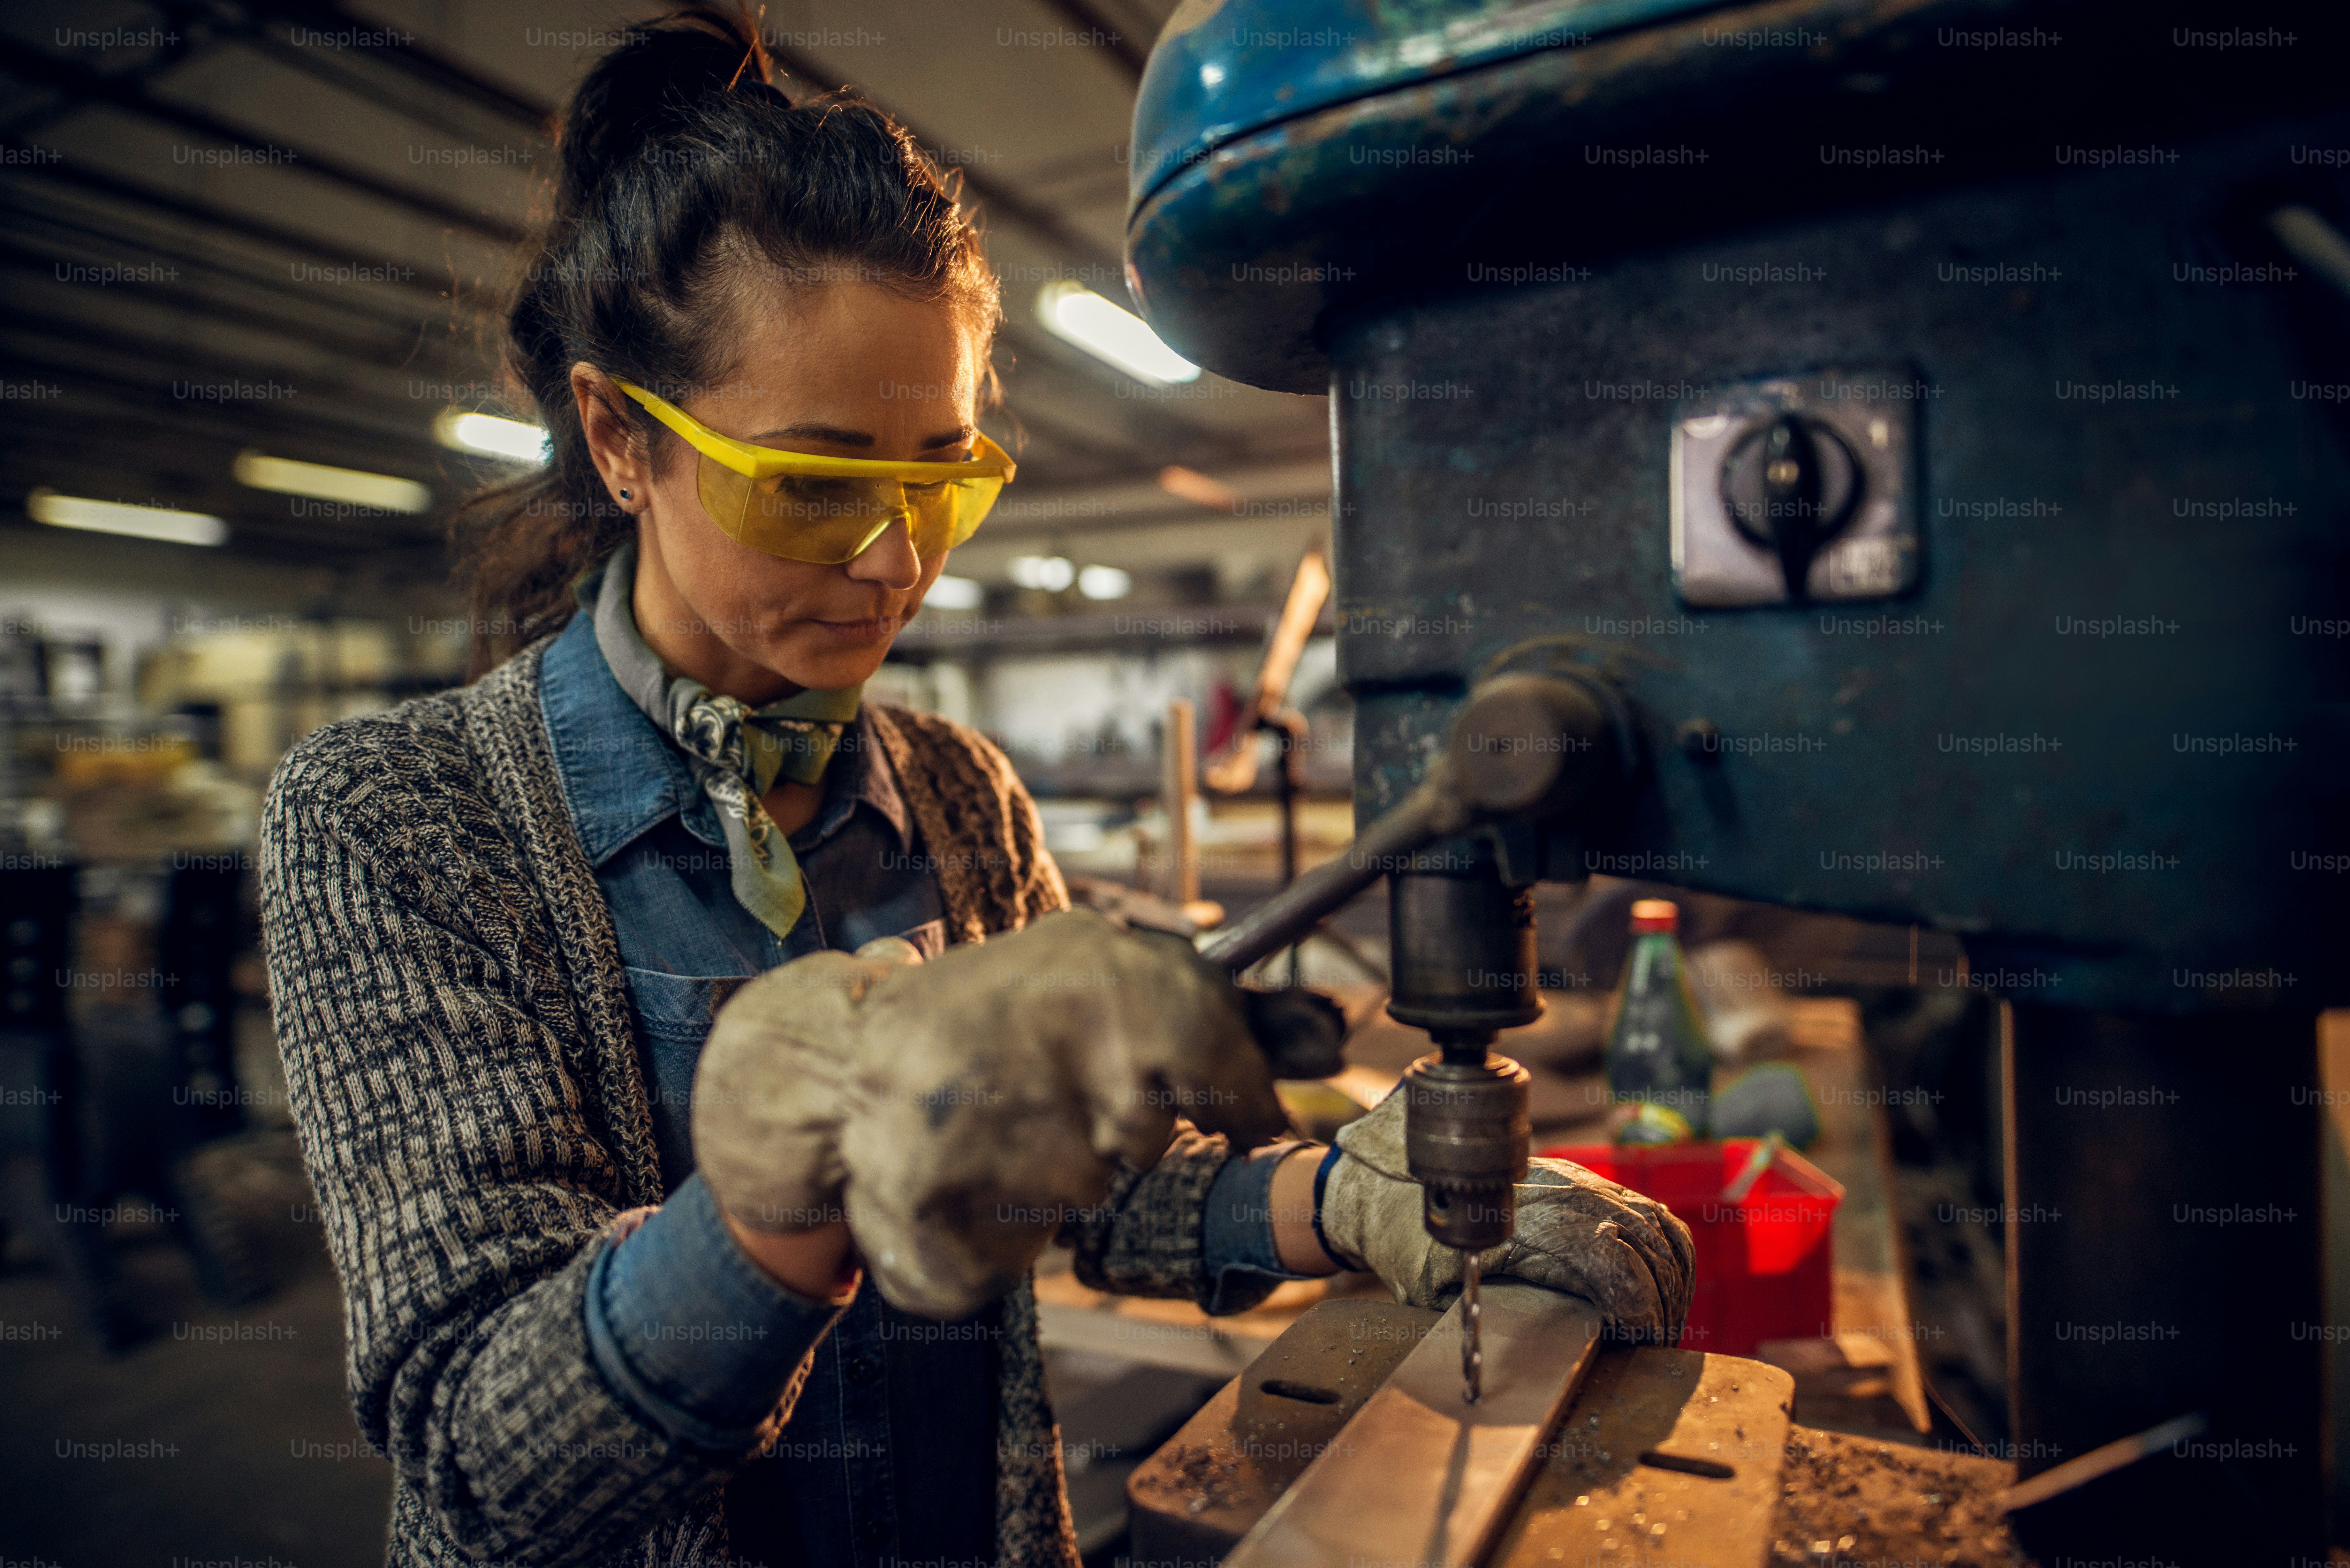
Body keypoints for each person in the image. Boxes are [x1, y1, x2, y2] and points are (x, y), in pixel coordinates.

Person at [259, 11, 1694, 1566]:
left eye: (938, 481)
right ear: (620, 438)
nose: (895, 569)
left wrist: (1334, 1196)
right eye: (810, 486)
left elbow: (1090, 1192)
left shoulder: (958, 791)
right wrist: (773, 1214)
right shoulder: (391, 821)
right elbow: (483, 1462)